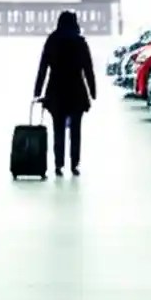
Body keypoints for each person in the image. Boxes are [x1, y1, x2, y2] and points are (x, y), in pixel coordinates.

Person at [34, 10, 97, 177]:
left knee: (58, 129)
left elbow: (43, 67)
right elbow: (88, 69)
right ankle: (74, 164)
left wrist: (37, 90)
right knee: (76, 130)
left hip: (56, 90)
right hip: (76, 90)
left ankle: (58, 164)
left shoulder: (52, 40)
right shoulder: (80, 42)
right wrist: (93, 90)